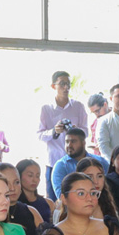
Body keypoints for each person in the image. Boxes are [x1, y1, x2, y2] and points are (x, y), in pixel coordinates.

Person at [37, 70, 88, 200]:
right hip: (53, 161)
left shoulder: (78, 106)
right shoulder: (46, 109)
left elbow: (86, 132)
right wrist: (54, 131)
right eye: (62, 84)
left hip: (75, 162)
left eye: (68, 84)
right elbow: (40, 135)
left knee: (78, 198)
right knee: (55, 201)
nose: (66, 87)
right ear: (53, 86)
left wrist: (77, 131)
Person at [50, 127, 109, 199]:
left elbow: (110, 188)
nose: (69, 145)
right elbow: (62, 197)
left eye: (73, 141)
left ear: (83, 143)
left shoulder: (101, 161)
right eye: (67, 142)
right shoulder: (61, 166)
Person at [17, 158, 55, 224]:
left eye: (37, 176)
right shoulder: (15, 204)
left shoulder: (49, 203)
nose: (35, 180)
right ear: (19, 176)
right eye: (30, 175)